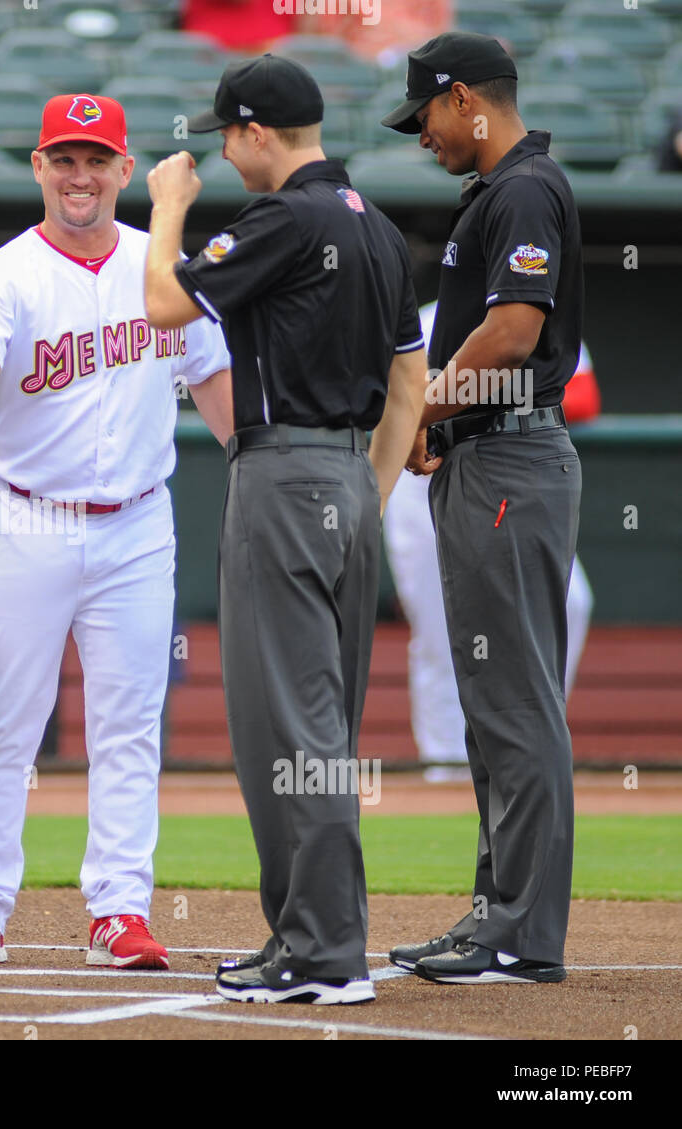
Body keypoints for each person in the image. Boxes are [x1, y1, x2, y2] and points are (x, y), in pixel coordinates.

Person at [0, 93, 233, 971]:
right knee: (4, 725)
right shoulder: (3, 275)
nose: (80, 175)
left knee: (129, 725)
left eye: (96, 158)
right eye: (64, 157)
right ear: (38, 167)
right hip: (28, 517)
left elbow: (219, 392)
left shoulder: (162, 269)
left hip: (138, 525)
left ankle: (120, 910)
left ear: (125, 171)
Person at [144, 55, 427, 1004]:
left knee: (289, 725)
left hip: (285, 472)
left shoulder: (284, 216)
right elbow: (410, 387)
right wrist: (368, 494)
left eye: (227, 136)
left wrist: (170, 206)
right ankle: (303, 934)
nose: (222, 154)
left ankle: (324, 950)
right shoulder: (376, 226)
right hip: (348, 475)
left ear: (257, 131)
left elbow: (162, 303)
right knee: (321, 723)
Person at [380, 31, 584, 985]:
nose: (422, 133)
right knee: (489, 703)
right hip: (485, 456)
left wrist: (426, 407)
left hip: (510, 456)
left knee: (515, 701)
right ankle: (496, 914)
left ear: (466, 98)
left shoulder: (526, 188)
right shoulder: (501, 193)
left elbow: (511, 332)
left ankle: (522, 934)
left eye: (425, 111)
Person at [383, 301, 598, 781]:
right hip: (422, 480)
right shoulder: (428, 317)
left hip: (505, 462)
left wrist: (489, 385)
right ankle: (446, 768)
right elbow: (389, 397)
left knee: (572, 603)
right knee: (440, 627)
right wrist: (483, 387)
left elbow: (585, 397)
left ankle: (528, 741)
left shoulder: (530, 313)